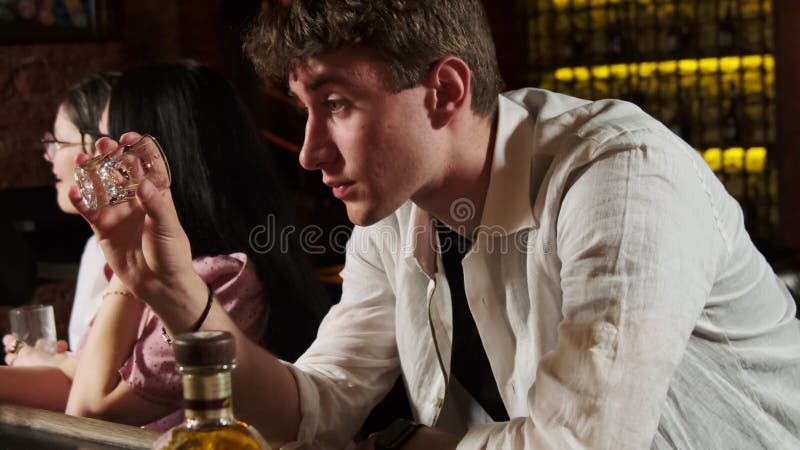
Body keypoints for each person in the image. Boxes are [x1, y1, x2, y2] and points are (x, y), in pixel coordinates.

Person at [71, 1, 800, 449]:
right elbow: (314, 411)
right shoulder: (397, 217)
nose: (308, 152)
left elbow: (584, 447)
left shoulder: (619, 174)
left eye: (337, 105)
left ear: (445, 89)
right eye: (304, 112)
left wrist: (405, 444)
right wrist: (170, 291)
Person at [5, 61, 330, 431]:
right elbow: (79, 374)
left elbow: (88, 411)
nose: (97, 164)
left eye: (112, 146)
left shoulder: (222, 279)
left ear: (162, 158)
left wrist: (129, 264)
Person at [3, 72, 117, 371]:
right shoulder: (96, 246)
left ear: (100, 148)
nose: (47, 154)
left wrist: (48, 365)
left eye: (57, 142)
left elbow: (124, 385)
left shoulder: (150, 249)